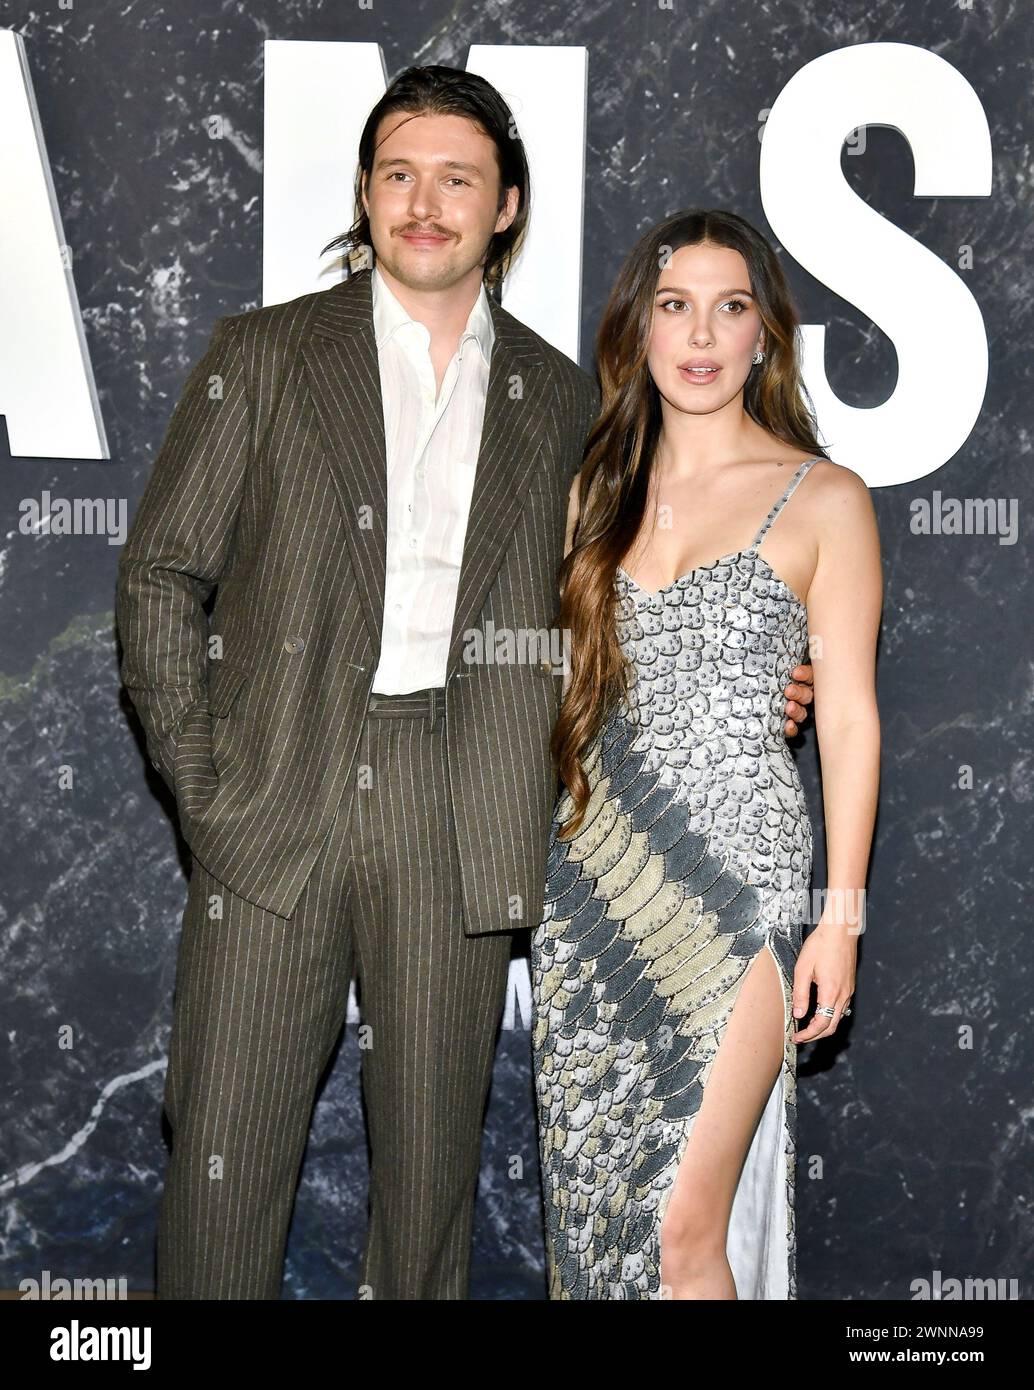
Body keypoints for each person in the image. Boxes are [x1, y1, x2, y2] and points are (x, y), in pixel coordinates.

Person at [116, 65, 814, 1301]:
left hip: (463, 814)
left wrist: (756, 669)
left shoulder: (569, 404)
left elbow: (635, 587)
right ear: (367, 196)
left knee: (431, 1199)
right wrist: (211, 791)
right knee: (221, 1184)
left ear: (505, 208)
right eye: (397, 175)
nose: (422, 204)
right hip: (276, 795)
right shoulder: (264, 356)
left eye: (455, 178)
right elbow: (162, 575)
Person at [531, 208, 881, 1301]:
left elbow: (853, 718)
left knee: (683, 1228)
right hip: (589, 887)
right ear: (638, 329)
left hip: (742, 890)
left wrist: (839, 913)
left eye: (729, 306)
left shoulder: (822, 498)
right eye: (673, 304)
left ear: (763, 335)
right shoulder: (587, 497)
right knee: (599, 1226)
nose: (699, 333)